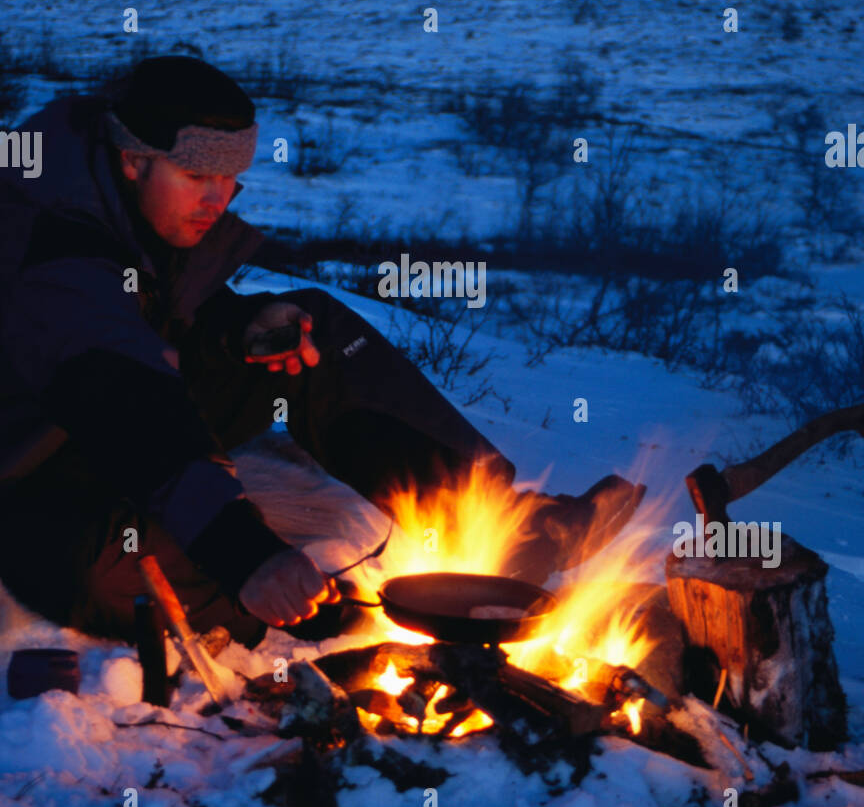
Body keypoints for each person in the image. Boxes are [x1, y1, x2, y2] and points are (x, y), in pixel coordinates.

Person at [0, 56, 642, 649]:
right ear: (133, 159)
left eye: (230, 177)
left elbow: (141, 314)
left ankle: (508, 523)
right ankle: (296, 606)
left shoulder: (113, 193)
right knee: (112, 569)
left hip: (113, 412)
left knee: (316, 331)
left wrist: (237, 327)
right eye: (198, 175)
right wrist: (243, 553)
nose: (217, 199)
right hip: (35, 469)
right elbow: (123, 396)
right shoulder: (55, 246)